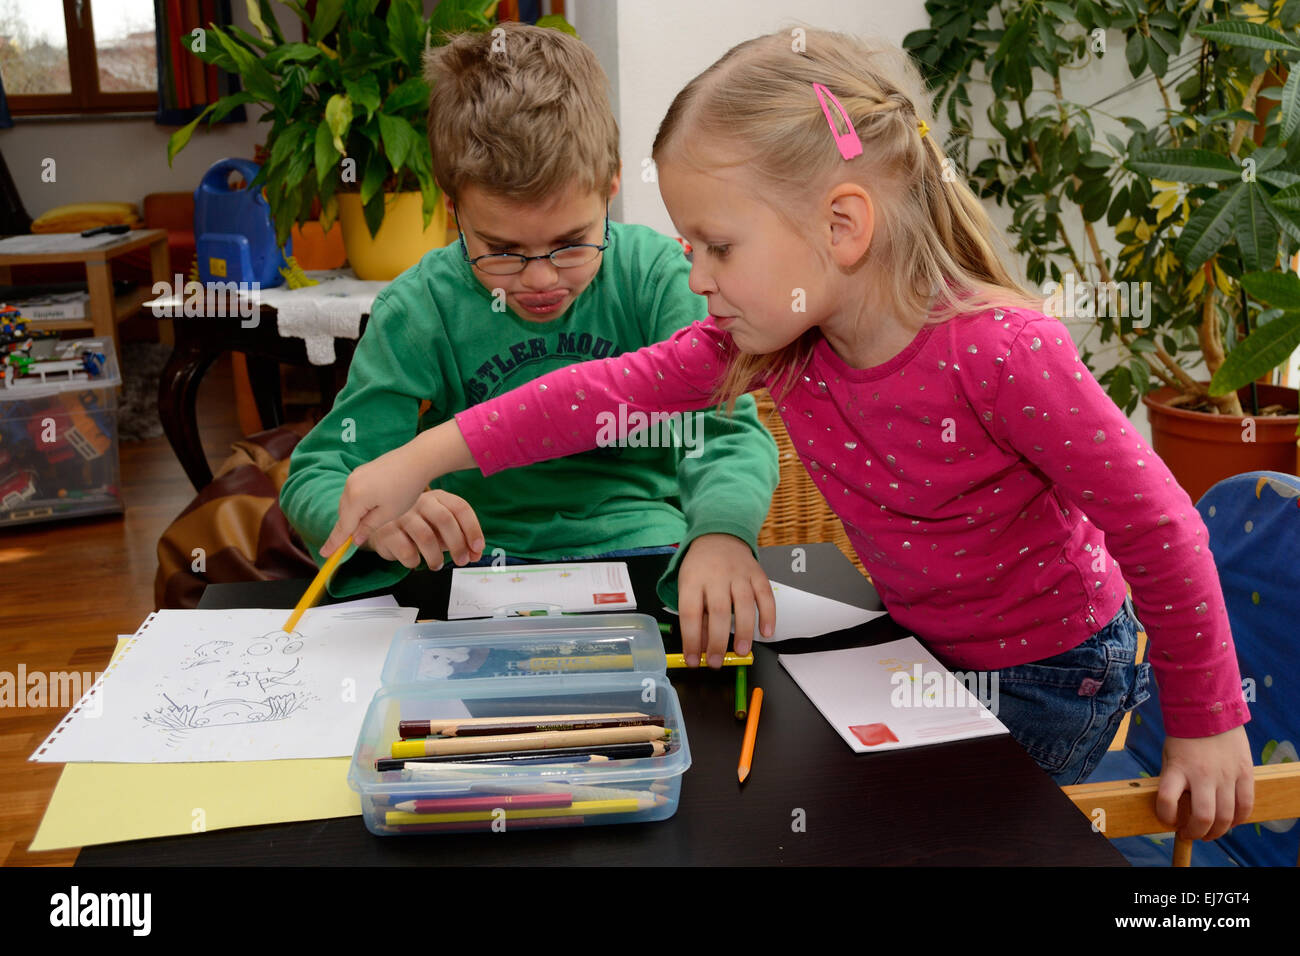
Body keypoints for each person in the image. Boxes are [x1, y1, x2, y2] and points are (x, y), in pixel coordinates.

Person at [321, 28, 1254, 840]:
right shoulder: (781, 339)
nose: (695, 278)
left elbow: (1159, 527)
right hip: (921, 649)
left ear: (841, 226)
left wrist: (1208, 718)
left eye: (716, 247)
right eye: (687, 248)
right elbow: (592, 395)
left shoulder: (1002, 352)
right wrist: (422, 454)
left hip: (1052, 677)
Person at [281, 22, 779, 661]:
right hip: (473, 577)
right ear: (453, 205)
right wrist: (383, 528)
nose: (541, 278)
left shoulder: (662, 279)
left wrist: (721, 532)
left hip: (647, 563)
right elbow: (322, 473)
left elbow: (727, 436)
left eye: (572, 241)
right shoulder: (419, 307)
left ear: (611, 185)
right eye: (503, 250)